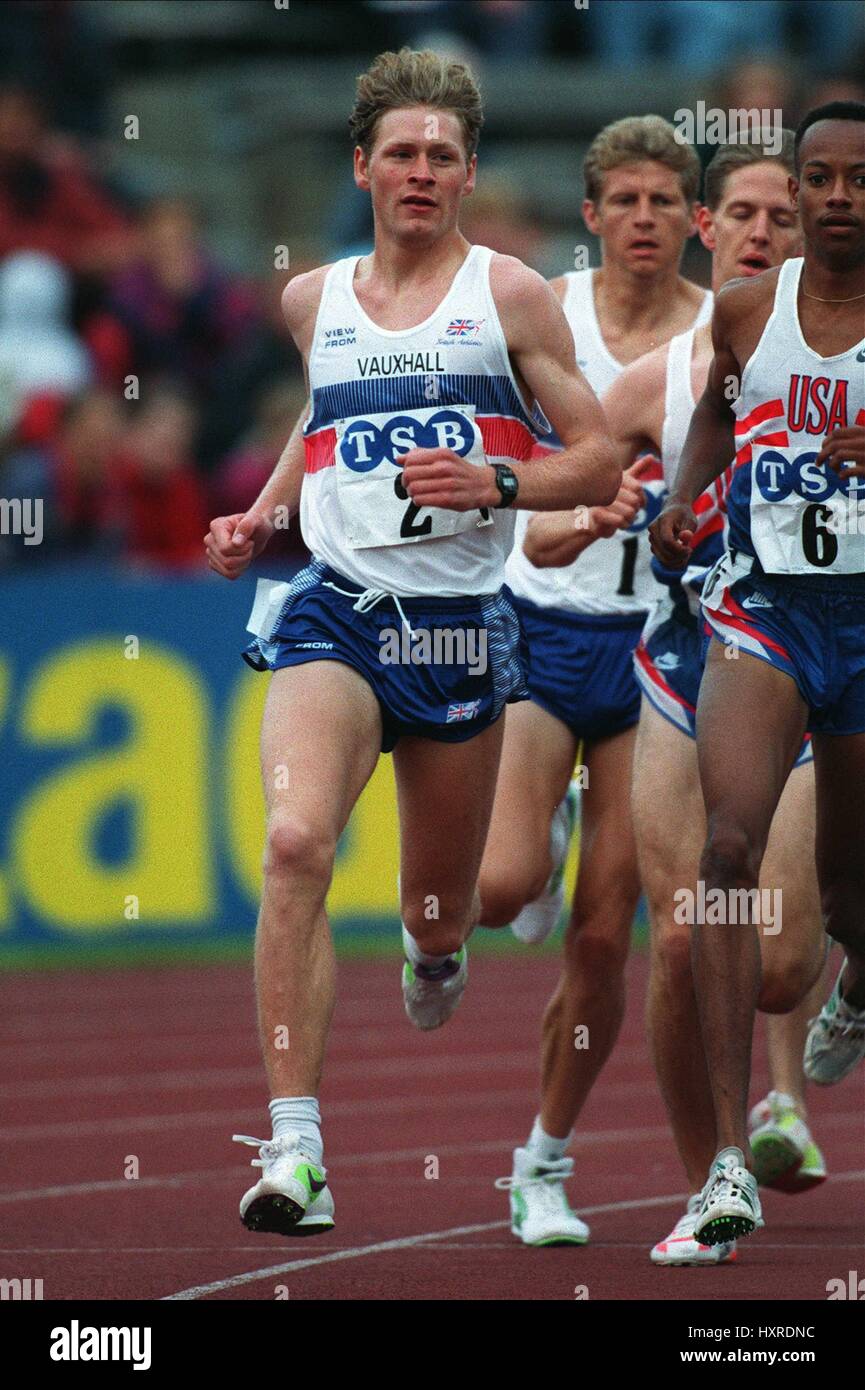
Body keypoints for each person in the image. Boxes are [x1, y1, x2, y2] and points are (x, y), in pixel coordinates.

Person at [204, 47, 619, 1239]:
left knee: (446, 913)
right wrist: (263, 514)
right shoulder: (311, 298)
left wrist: (496, 478)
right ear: (363, 167)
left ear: (469, 171)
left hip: (455, 638)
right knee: (293, 843)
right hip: (334, 609)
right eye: (402, 153)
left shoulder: (510, 295)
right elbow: (325, 423)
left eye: (443, 155)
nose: (422, 171)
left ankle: (429, 950)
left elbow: (595, 455)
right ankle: (296, 1148)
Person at [477, 115, 711, 1247]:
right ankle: (538, 831)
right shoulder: (545, 315)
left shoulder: (726, 331)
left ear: (692, 218)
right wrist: (573, 513)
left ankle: (542, 1161)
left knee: (605, 935)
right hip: (538, 624)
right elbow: (508, 473)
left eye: (665, 200)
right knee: (498, 886)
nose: (643, 219)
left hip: (656, 648)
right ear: (591, 214)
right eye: (623, 200)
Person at [604, 136, 829, 1265]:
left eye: (778, 216)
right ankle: (713, 1176)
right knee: (689, 930)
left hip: (835, 646)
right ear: (710, 226)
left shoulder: (799, 321)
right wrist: (636, 509)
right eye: (739, 213)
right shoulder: (672, 361)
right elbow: (586, 491)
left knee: (784, 957)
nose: (761, 231)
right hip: (709, 649)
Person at [650, 101, 865, 1248]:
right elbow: (710, 425)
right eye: (816, 179)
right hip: (765, 614)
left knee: (847, 896)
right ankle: (726, 1166)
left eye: (855, 181)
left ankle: (860, 975)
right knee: (724, 852)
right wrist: (683, 507)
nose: (834, 198)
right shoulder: (745, 313)